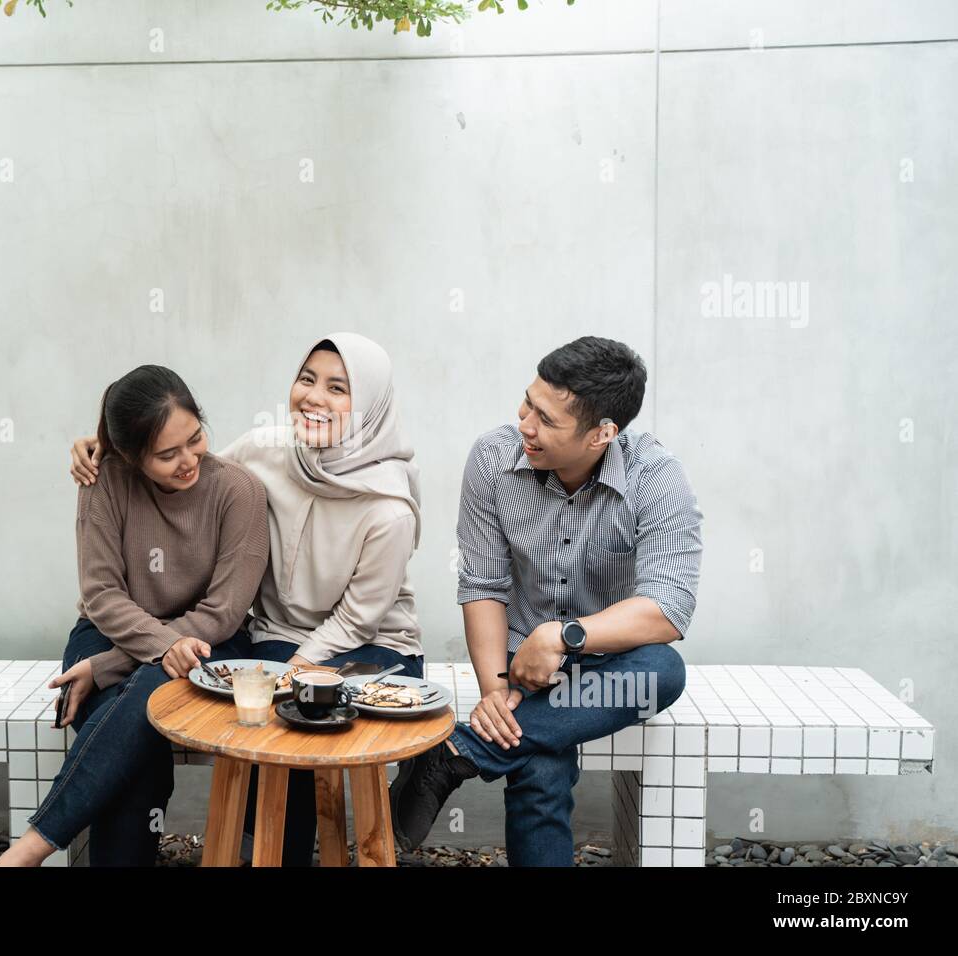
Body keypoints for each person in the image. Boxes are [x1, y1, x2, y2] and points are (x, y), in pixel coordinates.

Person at [69, 332, 423, 865]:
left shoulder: (389, 507)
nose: (314, 397)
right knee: (257, 719)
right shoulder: (267, 450)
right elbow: (191, 471)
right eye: (306, 379)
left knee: (293, 723)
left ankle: (279, 856)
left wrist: (295, 671)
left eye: (337, 387)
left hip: (365, 647)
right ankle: (261, 852)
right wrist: (102, 447)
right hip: (276, 640)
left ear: (370, 405)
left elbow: (355, 620)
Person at [388, 336, 703, 866]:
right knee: (541, 763)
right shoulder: (493, 458)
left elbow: (668, 607)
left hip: (608, 665)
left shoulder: (655, 476)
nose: (525, 424)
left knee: (662, 671)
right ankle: (468, 749)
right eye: (527, 402)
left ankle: (454, 755)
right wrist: (494, 692)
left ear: (603, 434)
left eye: (547, 419)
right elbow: (483, 585)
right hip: (524, 673)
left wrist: (562, 634)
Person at [0, 364, 269, 866]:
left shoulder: (239, 492)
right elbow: (101, 594)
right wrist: (145, 649)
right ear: (130, 455)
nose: (189, 461)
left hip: (210, 641)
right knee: (139, 761)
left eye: (196, 438)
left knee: (148, 693)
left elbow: (224, 612)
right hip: (107, 631)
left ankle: (29, 849)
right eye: (167, 455)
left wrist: (109, 667)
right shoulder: (103, 479)